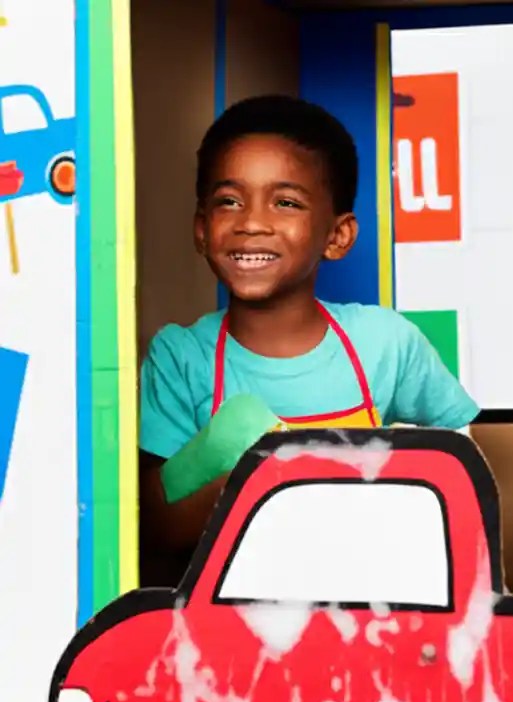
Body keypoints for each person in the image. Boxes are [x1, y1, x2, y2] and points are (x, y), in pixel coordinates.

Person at [138, 96, 479, 584]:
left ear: (337, 235)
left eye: (286, 203)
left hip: (372, 603)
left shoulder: (385, 342)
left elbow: (464, 471)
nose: (252, 222)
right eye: (229, 201)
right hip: (233, 618)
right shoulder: (181, 357)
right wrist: (272, 475)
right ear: (200, 228)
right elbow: (153, 526)